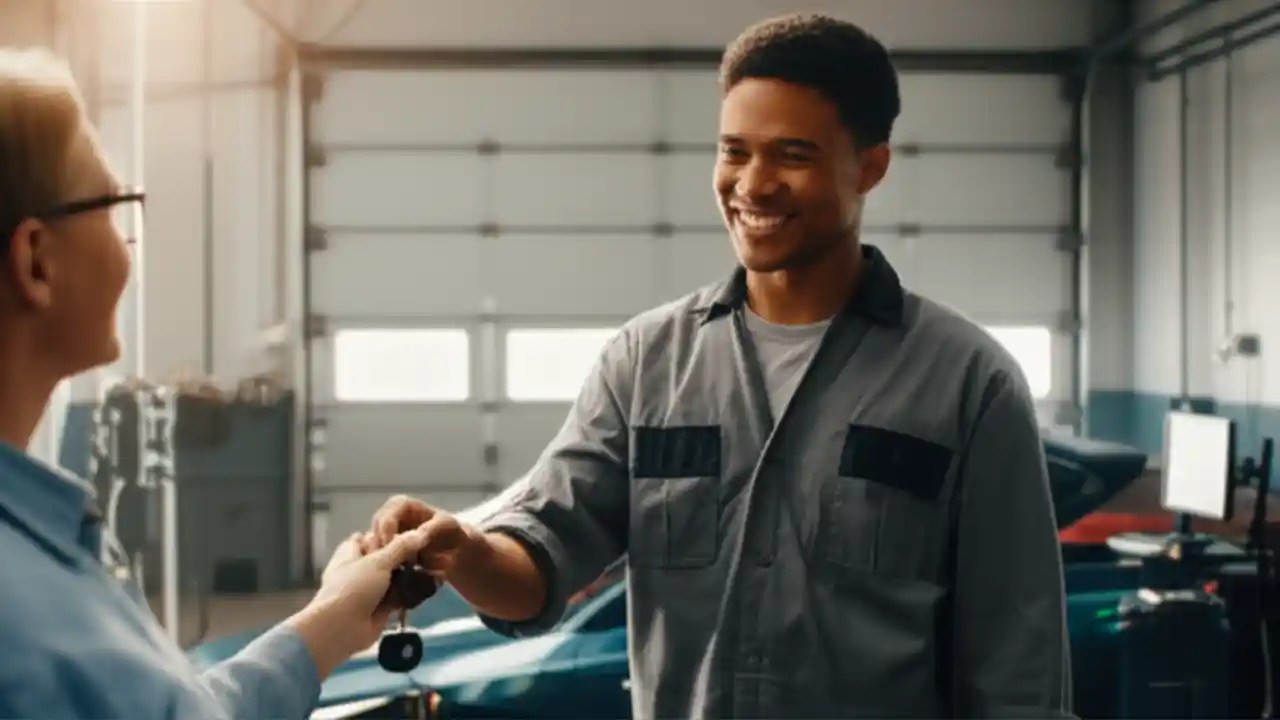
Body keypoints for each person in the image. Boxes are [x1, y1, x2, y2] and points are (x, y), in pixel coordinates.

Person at [368, 13, 1072, 718]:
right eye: (735, 151)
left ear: (870, 166)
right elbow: (539, 568)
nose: (752, 185)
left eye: (791, 155)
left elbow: (1017, 664)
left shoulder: (969, 382)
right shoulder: (646, 364)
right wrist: (461, 550)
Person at [0, 48, 432, 719]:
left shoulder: (43, 559)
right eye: (116, 208)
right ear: (36, 260)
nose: (126, 250)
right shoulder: (34, 622)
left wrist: (331, 618)